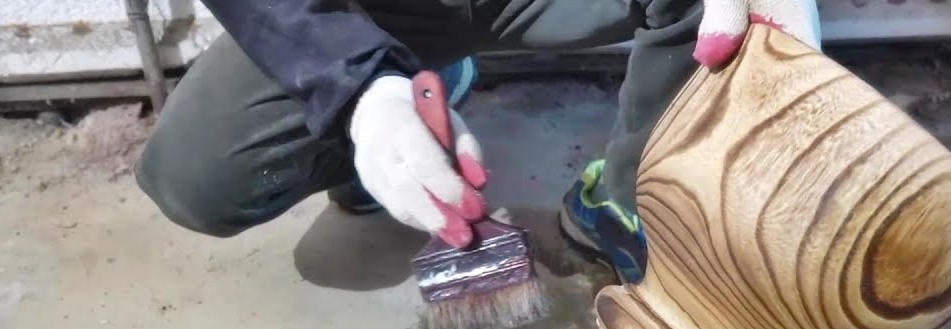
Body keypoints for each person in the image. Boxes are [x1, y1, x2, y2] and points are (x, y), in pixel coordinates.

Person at [135, 0, 821, 284]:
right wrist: (354, 84)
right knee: (200, 177)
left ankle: (629, 203)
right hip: (373, 8)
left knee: (731, 10)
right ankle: (404, 82)